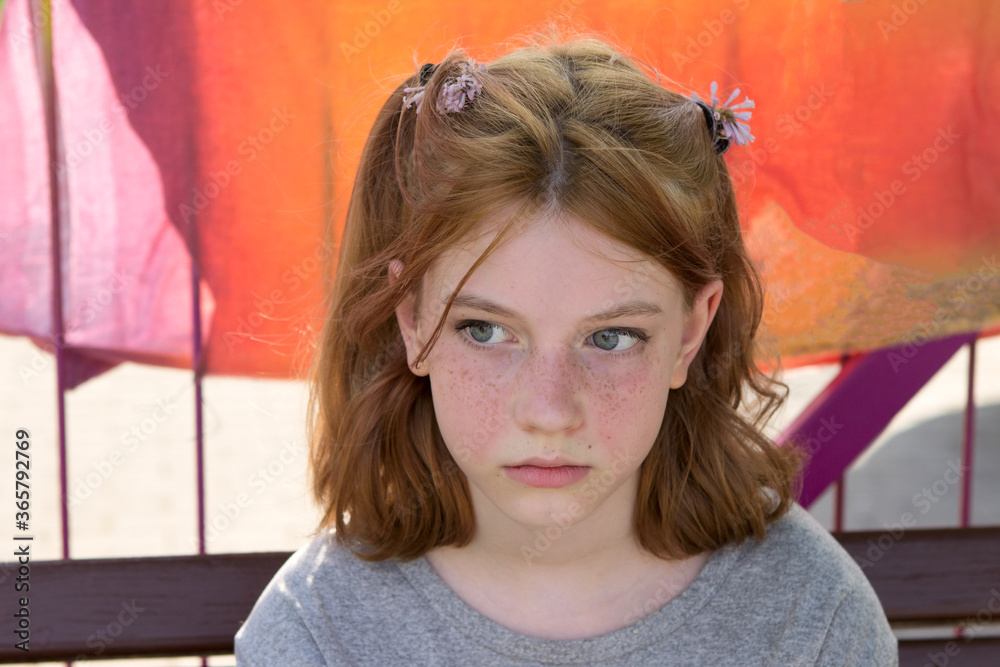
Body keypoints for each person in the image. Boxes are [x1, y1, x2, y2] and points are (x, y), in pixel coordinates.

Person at [234, 31, 898, 666]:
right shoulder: (316, 634)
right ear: (412, 320)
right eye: (486, 330)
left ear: (691, 331)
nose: (550, 411)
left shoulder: (810, 621)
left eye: (610, 337)